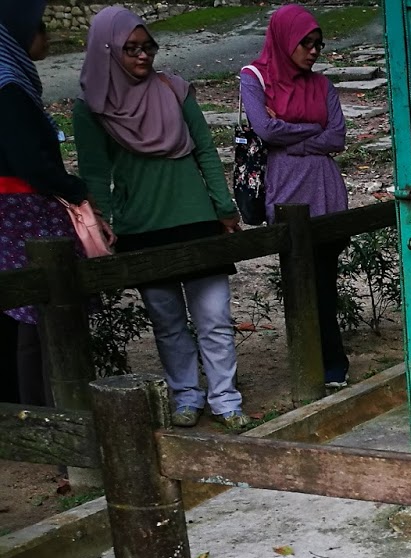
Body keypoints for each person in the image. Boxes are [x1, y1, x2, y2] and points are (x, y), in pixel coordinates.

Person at [75, 6, 246, 429]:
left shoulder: (174, 89)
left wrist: (223, 207)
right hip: (143, 227)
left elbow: (205, 149)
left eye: (147, 46)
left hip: (197, 218)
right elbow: (94, 172)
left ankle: (227, 400)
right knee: (169, 325)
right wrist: (103, 222)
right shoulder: (93, 108)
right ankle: (186, 397)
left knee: (215, 320)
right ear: (107, 50)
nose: (142, 56)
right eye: (130, 48)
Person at [240, 4, 349, 390]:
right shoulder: (254, 78)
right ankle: (310, 365)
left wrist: (294, 138)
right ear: (285, 41)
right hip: (285, 190)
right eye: (306, 43)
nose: (314, 51)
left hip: (325, 191)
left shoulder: (323, 86)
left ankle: (333, 365)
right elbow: (265, 131)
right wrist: (310, 133)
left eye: (318, 44)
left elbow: (337, 135)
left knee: (324, 283)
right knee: (298, 282)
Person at [0, 0, 93, 406]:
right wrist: (73, 188)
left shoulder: (13, 80)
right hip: (21, 213)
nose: (48, 35)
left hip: (13, 210)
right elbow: (28, 160)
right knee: (39, 315)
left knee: (23, 313)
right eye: (40, 26)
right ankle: (47, 415)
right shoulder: (8, 88)